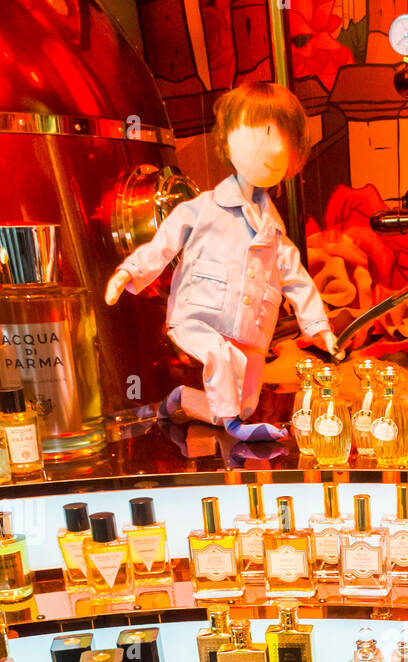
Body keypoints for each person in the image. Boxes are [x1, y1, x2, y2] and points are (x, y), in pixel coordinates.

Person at [105, 81, 337, 442]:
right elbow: (164, 243)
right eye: (260, 132)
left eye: (283, 139)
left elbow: (297, 279)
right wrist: (129, 272)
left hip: (251, 331)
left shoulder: (274, 230)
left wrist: (319, 327)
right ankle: (235, 428)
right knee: (218, 359)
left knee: (238, 403)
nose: (272, 148)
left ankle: (179, 403)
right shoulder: (203, 207)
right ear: (229, 139)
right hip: (200, 314)